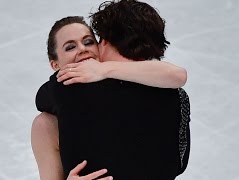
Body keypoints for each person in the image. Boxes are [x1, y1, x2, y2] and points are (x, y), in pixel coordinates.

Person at [33, 0, 190, 179]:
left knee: (43, 123)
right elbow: (180, 164)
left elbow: (41, 98)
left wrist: (102, 70)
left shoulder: (68, 88)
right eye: (71, 46)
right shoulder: (178, 96)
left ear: (105, 42)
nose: (84, 51)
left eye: (90, 41)